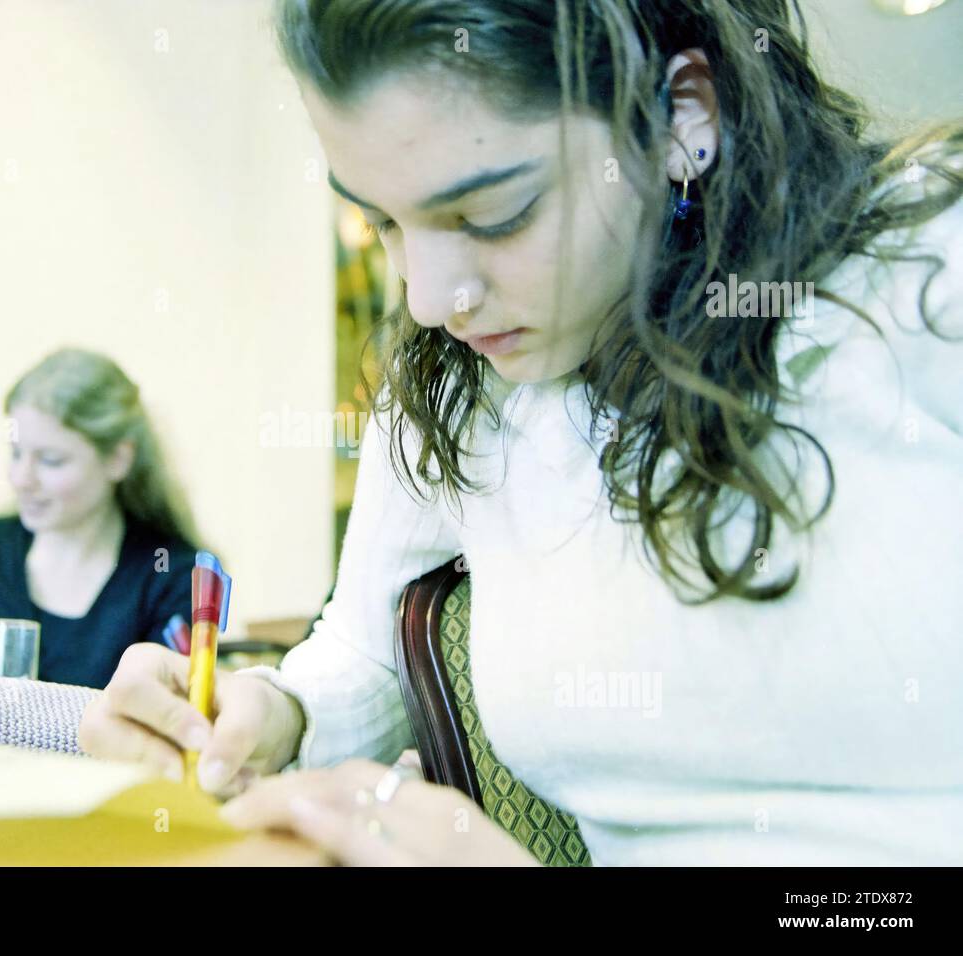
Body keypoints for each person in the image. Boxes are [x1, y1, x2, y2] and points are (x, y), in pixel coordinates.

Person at [80, 0, 963, 865]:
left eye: (493, 216)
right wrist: (270, 713)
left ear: (682, 118)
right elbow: (365, 652)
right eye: (382, 221)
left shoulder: (928, 284)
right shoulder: (463, 393)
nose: (429, 300)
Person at [0, 348, 199, 703]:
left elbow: (155, 724)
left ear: (118, 459)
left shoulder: (174, 573)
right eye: (16, 453)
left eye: (51, 460)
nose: (21, 478)